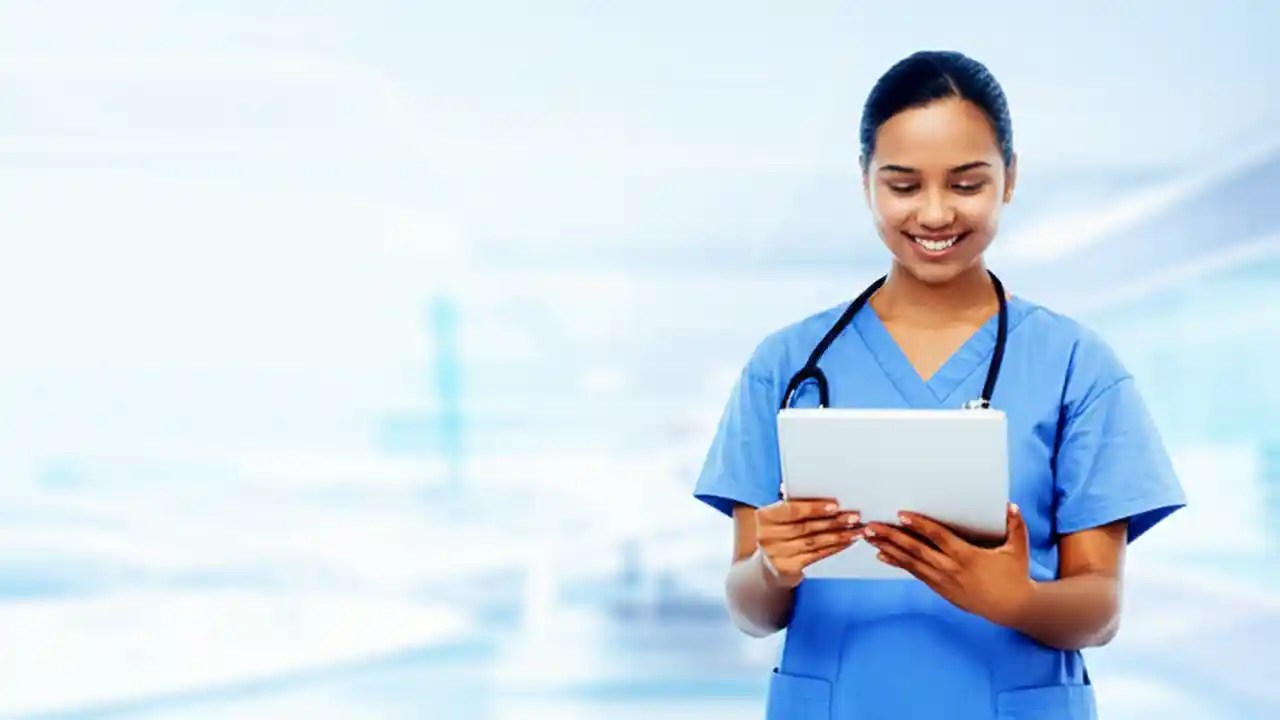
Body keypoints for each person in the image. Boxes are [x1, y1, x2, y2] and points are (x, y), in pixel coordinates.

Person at [692, 50, 1186, 720]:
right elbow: (750, 610)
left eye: (965, 183)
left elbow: (1099, 608)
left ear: (1009, 179)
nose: (933, 214)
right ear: (865, 183)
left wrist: (1014, 599)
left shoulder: (1076, 364)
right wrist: (775, 568)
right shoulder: (786, 364)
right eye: (902, 185)